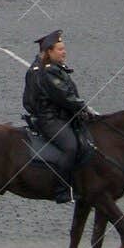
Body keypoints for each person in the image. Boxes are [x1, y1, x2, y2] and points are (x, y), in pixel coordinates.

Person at [22, 30, 90, 203]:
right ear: (48, 52)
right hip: (50, 120)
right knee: (71, 147)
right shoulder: (47, 71)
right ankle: (62, 189)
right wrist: (83, 108)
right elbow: (65, 96)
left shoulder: (47, 67)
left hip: (56, 116)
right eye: (60, 49)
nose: (64, 52)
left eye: (63, 48)